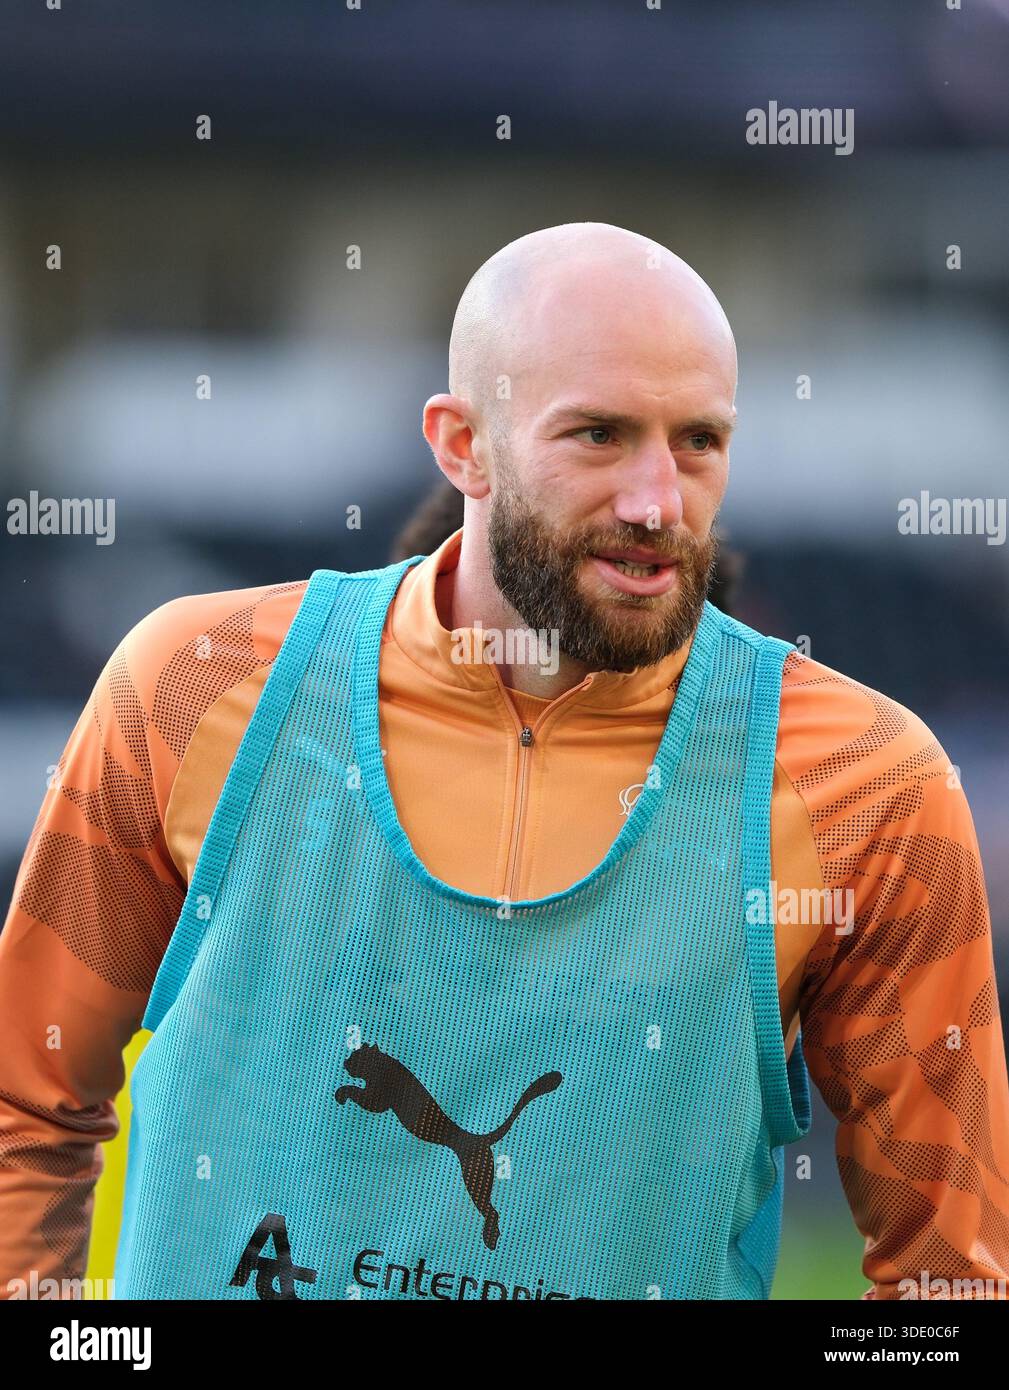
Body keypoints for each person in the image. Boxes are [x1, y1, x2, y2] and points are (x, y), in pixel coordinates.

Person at [2, 222, 1007, 1301]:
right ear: (460, 444)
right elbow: (26, 1106)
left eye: (698, 442)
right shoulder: (191, 686)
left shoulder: (869, 785)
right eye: (598, 435)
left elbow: (947, 1281)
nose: (655, 501)